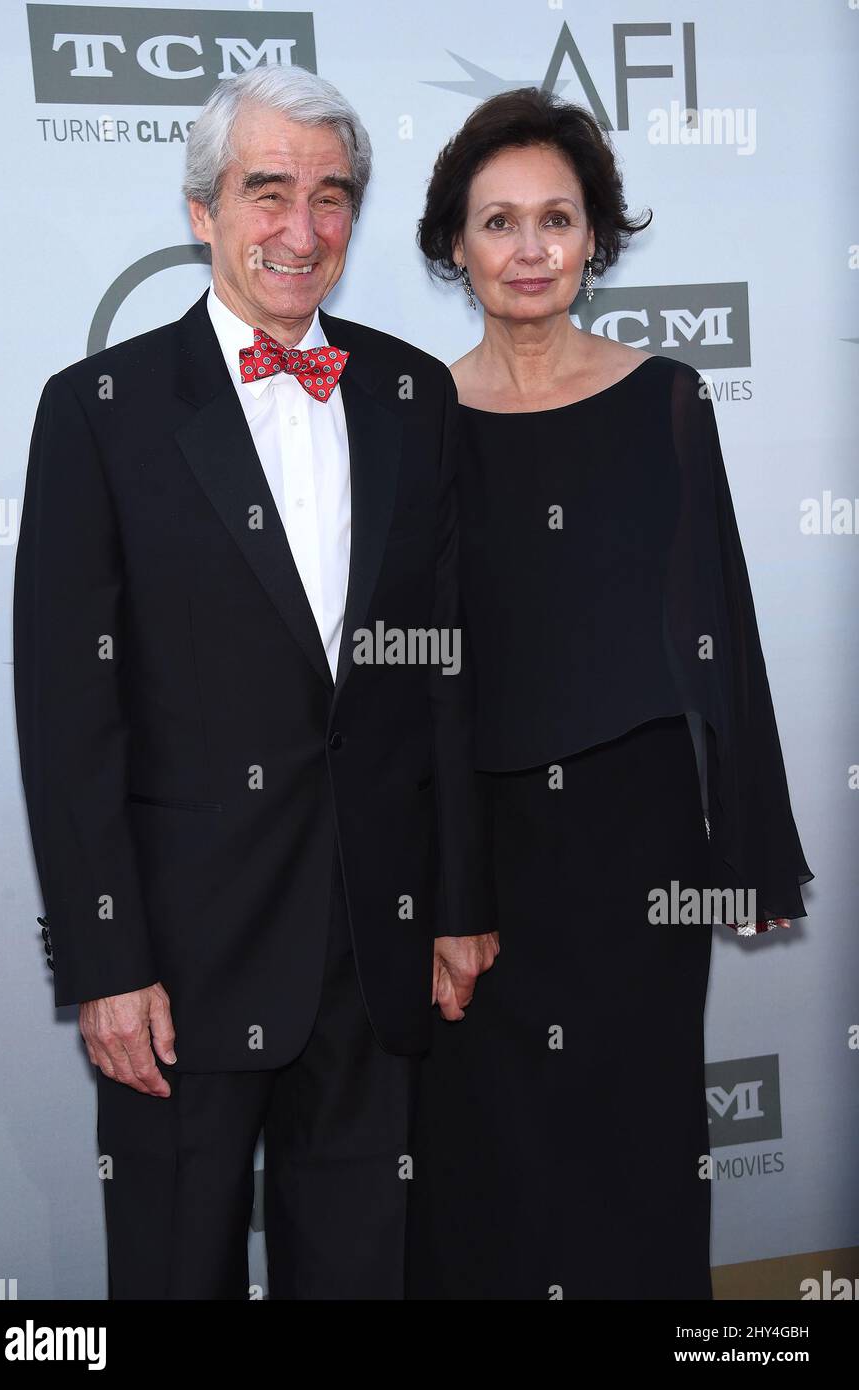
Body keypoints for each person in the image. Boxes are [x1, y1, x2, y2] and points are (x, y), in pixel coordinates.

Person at [13, 63, 496, 1302]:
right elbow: (70, 718)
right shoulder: (98, 413)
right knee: (174, 1274)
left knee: (360, 1268)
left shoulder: (411, 393)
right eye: (266, 191)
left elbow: (440, 667)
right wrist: (107, 961)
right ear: (203, 211)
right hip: (180, 958)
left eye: (331, 197)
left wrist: (454, 896)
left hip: (372, 942)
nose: (301, 230)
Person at [406, 88, 813, 1300]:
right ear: (453, 244)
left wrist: (750, 849)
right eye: (497, 223)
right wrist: (427, 871)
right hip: (478, 848)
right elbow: (409, 663)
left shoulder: (667, 399)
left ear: (594, 239)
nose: (527, 250)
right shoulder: (414, 420)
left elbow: (721, 630)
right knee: (480, 1161)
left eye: (555, 220)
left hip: (639, 845)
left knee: (634, 1149)